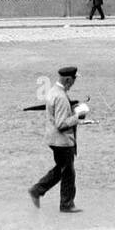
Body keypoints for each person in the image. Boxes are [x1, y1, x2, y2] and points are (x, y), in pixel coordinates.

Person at [28, 65, 88, 213]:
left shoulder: (54, 91)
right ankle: (66, 204)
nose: (74, 83)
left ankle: (38, 190)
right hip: (62, 141)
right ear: (68, 79)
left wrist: (72, 107)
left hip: (53, 139)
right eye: (73, 80)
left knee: (61, 169)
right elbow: (61, 124)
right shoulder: (61, 97)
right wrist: (78, 116)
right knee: (68, 173)